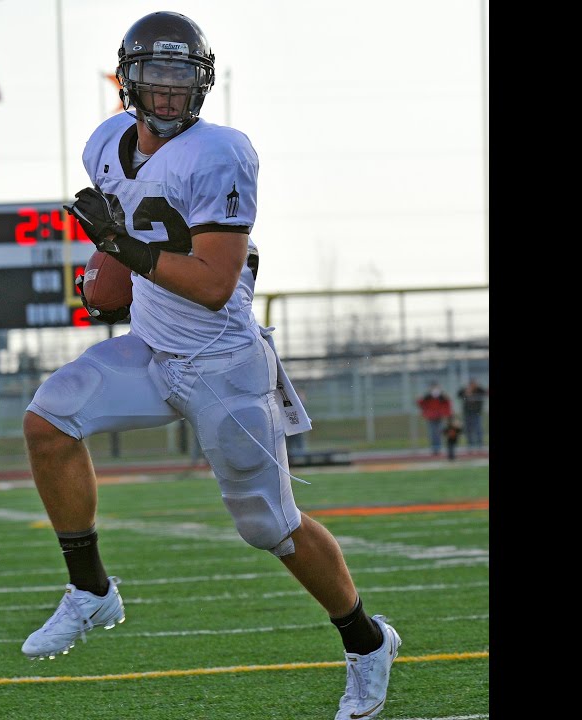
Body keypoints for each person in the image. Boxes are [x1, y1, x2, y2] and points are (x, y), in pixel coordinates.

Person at [20, 12, 400, 719]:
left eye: (180, 80)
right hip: (152, 349)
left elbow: (211, 282)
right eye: (155, 79)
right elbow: (121, 240)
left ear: (202, 84)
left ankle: (367, 640)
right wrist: (102, 271)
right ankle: (93, 592)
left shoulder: (221, 153)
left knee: (272, 528)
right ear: (129, 81)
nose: (167, 94)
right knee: (48, 419)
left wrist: (119, 248)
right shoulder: (105, 143)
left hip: (221, 362)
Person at [415, 382, 452, 456]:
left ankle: (438, 448)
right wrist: (419, 398)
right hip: (431, 417)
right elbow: (420, 403)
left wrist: (447, 414)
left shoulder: (442, 397)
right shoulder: (427, 397)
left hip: (439, 417)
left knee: (438, 433)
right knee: (432, 433)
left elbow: (447, 403)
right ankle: (434, 448)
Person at [458, 379, 488, 449]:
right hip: (467, 412)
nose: (472, 386)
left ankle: (480, 443)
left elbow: (484, 393)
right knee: (468, 428)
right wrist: (466, 392)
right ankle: (470, 443)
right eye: (471, 384)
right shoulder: (465, 391)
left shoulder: (479, 390)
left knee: (478, 428)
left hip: (477, 412)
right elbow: (459, 395)